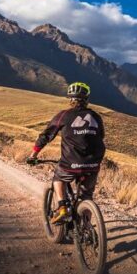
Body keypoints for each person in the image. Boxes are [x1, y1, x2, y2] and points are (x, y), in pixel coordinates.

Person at [27, 81, 105, 224]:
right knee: (86, 196)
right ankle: (86, 225)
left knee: (58, 178)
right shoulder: (96, 117)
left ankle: (62, 208)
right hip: (94, 163)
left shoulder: (64, 115)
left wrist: (33, 155)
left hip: (71, 162)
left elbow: (46, 136)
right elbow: (101, 136)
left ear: (70, 99)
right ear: (87, 99)